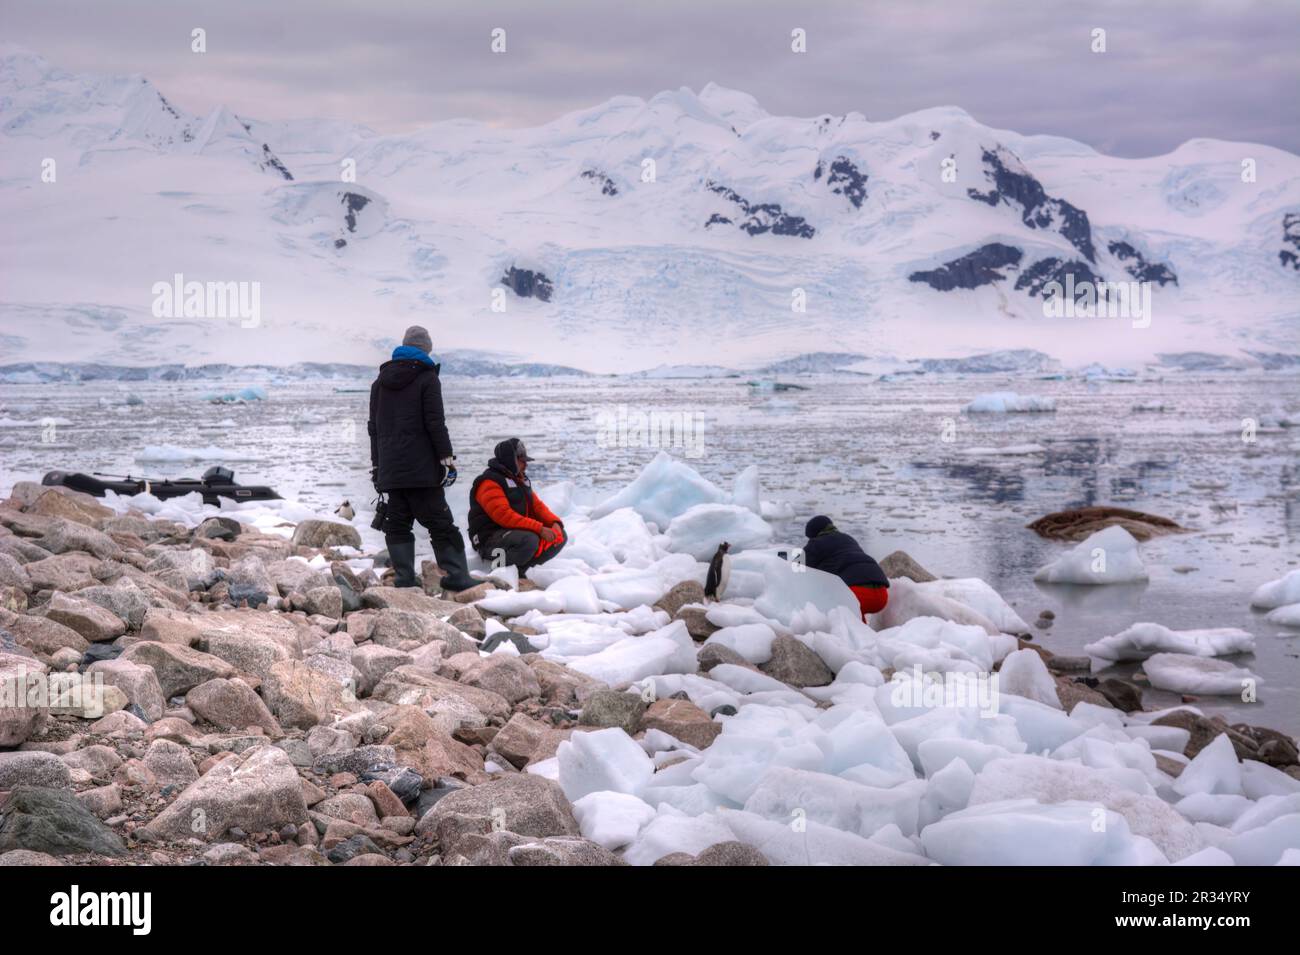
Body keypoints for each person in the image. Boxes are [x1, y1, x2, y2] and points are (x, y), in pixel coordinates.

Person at [367, 325, 476, 591]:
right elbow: (435, 423)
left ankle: (404, 579)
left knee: (398, 521)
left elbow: (374, 428)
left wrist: (378, 465)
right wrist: (447, 459)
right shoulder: (428, 379)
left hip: (391, 469)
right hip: (422, 469)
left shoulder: (380, 383)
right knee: (440, 522)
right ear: (426, 349)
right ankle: (457, 576)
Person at [467, 438, 566, 575]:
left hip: (511, 534)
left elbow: (537, 507)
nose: (526, 465)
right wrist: (539, 528)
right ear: (510, 460)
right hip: (489, 540)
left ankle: (520, 572)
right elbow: (504, 516)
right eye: (522, 461)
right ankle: (499, 573)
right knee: (529, 540)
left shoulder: (519, 480)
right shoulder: (489, 482)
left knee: (560, 536)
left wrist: (555, 523)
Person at [802, 515, 889, 620]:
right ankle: (865, 633)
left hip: (859, 594)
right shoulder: (848, 538)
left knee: (827, 604)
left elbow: (796, 567)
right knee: (854, 612)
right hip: (882, 595)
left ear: (813, 534)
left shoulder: (815, 544)